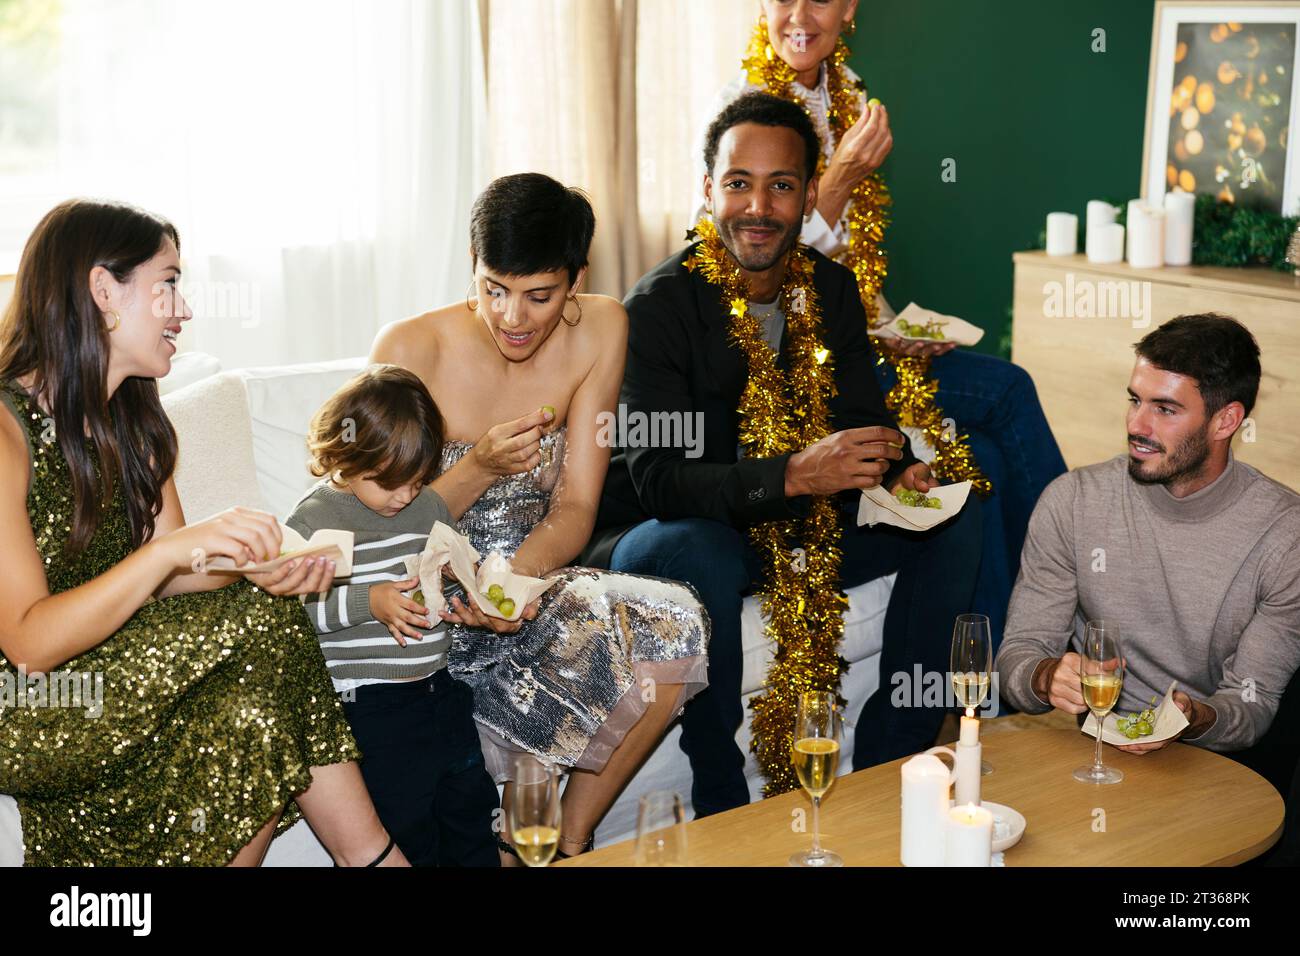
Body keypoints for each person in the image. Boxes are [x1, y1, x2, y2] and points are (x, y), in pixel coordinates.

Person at [587, 93, 983, 816]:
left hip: (787, 521)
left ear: (808, 195)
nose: (757, 206)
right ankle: (720, 799)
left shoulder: (828, 289)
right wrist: (797, 472)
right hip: (662, 537)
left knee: (955, 519)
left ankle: (891, 763)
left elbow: (863, 416)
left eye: (781, 184)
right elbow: (658, 479)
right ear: (708, 190)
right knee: (700, 545)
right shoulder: (659, 308)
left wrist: (900, 471)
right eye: (738, 182)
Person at [0, 199, 407, 867]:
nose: (183, 309)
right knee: (260, 627)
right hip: (29, 700)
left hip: (118, 663)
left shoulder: (133, 412)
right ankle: (373, 858)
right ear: (104, 291)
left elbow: (174, 582)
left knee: (251, 697)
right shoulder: (6, 430)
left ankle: (369, 858)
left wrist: (256, 568)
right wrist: (170, 551)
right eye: (168, 284)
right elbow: (28, 643)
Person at [693, 0, 1067, 653]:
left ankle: (1017, 659)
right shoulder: (738, 111)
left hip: (851, 336)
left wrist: (895, 327)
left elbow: (846, 263)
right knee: (1007, 392)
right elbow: (753, 266)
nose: (802, 15)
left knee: (990, 462)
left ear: (850, 8)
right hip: (787, 363)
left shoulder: (849, 95)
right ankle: (1076, 586)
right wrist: (837, 179)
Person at [369, 173, 709, 858]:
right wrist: (478, 469)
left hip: (528, 580)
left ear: (576, 279)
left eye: (539, 295)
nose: (512, 317)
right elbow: (374, 527)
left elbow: (578, 502)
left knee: (677, 623)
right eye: (493, 288)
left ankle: (562, 843)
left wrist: (513, 583)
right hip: (424, 597)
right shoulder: (410, 351)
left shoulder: (602, 327)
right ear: (472, 267)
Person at [996, 314, 1300, 768]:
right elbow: (1017, 654)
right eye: (1135, 399)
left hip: (1213, 764)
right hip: (1093, 751)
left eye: (1165, 409)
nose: (1137, 425)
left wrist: (1194, 719)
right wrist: (1046, 676)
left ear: (1226, 421)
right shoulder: (1073, 501)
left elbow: (1251, 706)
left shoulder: (1285, 535)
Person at [286, 365, 500, 866]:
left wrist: (469, 589)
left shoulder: (427, 507)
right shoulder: (318, 520)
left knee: (473, 816)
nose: (405, 496)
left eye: (418, 480)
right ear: (344, 456)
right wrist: (370, 602)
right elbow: (293, 610)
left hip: (440, 691)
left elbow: (446, 572)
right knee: (406, 828)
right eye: (389, 483)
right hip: (372, 709)